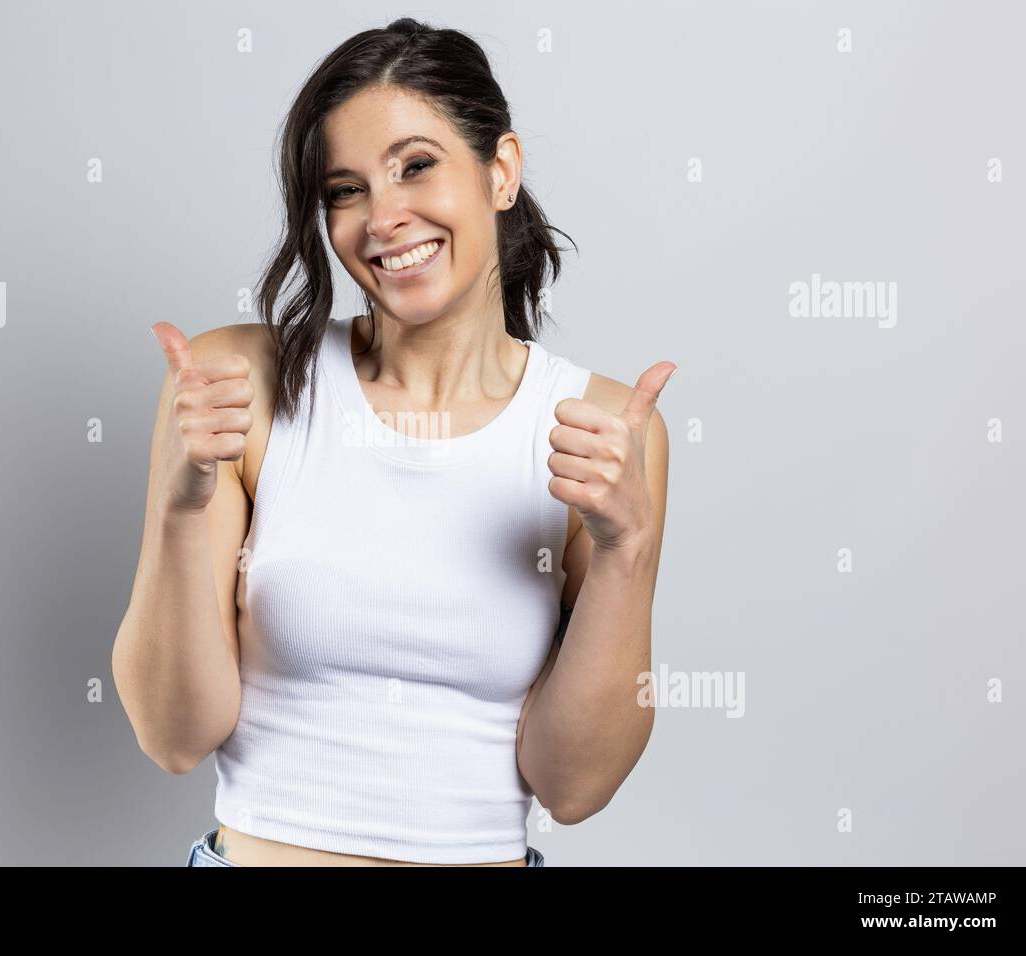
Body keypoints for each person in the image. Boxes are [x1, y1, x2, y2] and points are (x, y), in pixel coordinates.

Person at [113, 17, 673, 867]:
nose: (383, 218)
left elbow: (574, 787)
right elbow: (174, 735)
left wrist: (625, 551)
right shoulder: (238, 384)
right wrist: (179, 509)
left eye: (416, 166)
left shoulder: (600, 427)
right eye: (344, 189)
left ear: (502, 172)